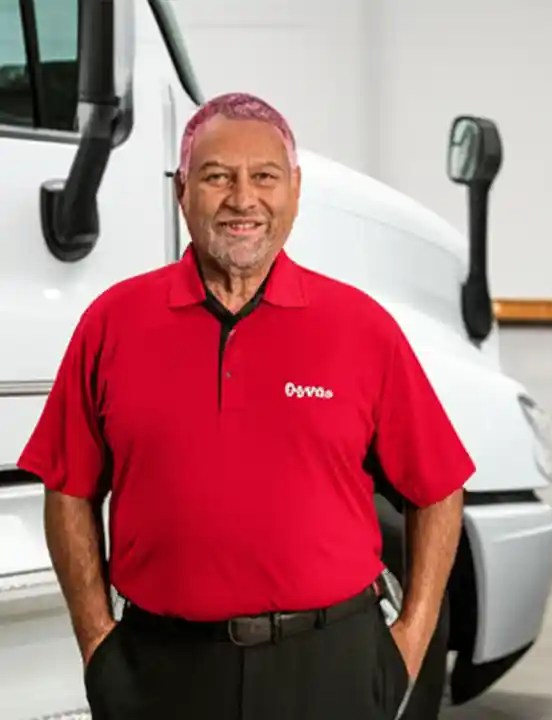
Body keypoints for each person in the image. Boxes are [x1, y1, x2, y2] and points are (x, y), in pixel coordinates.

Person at [18, 91, 475, 718]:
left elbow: (439, 488)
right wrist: (98, 642)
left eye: (264, 177)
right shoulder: (112, 324)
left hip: (330, 667)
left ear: (294, 190)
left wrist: (409, 643)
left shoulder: (360, 328)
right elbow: (68, 487)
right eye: (216, 177)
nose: (242, 199)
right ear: (182, 191)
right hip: (161, 670)